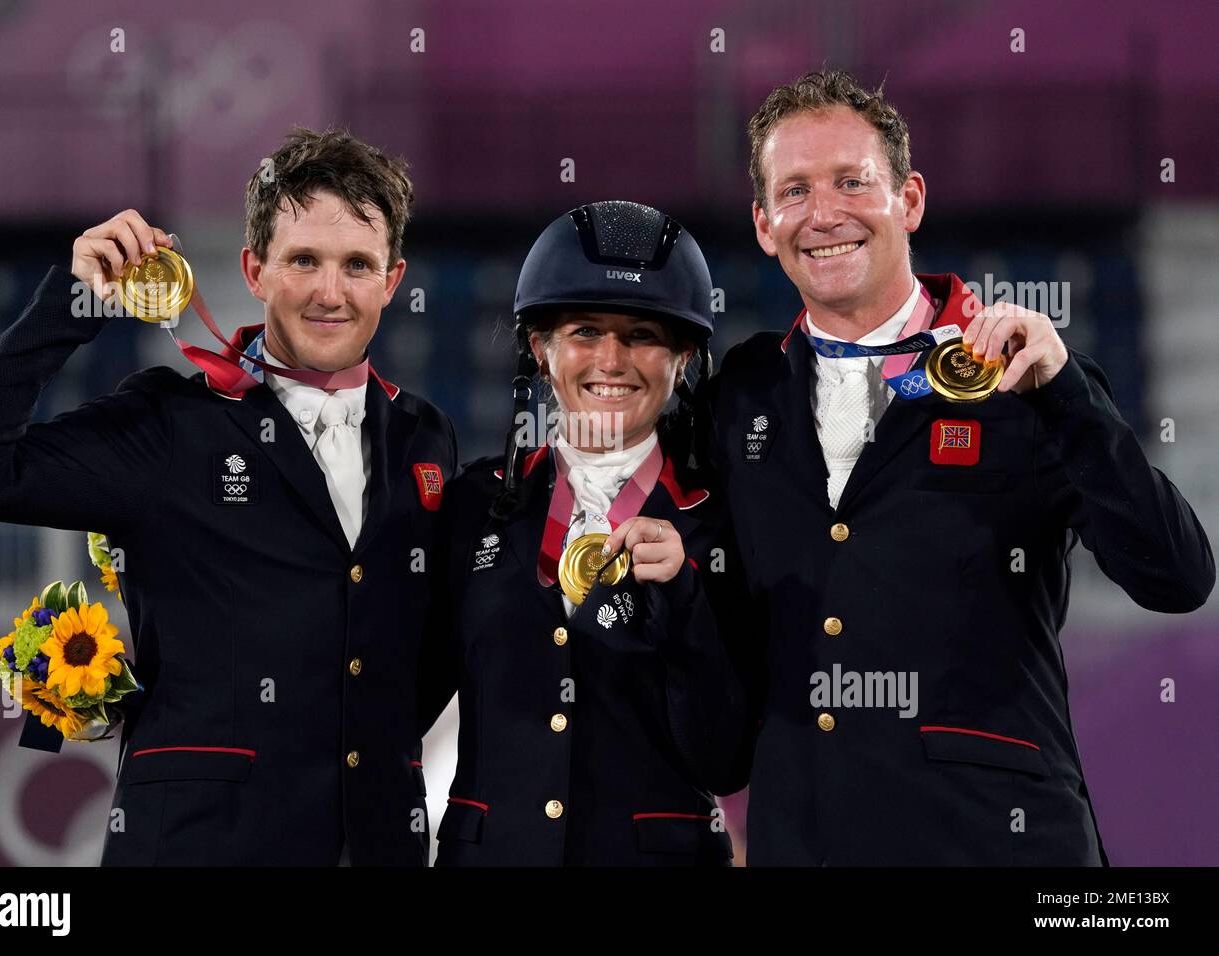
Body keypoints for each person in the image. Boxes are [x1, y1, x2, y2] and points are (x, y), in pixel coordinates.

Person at [711, 70, 1215, 865]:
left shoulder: (1027, 380)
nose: (825, 214)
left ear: (909, 199)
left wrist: (1069, 399)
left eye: (852, 181)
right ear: (765, 225)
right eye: (795, 190)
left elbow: (1178, 577)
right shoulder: (739, 396)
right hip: (805, 840)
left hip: (994, 841)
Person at [0, 127, 458, 866]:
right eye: (303, 260)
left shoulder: (424, 439)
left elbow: (414, 656)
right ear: (255, 269)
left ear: (392, 281)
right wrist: (71, 304)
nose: (331, 292)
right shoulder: (168, 426)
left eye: (357, 265)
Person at [419, 201, 753, 866]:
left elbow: (726, 760)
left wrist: (685, 602)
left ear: (683, 357)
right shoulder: (471, 507)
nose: (611, 359)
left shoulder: (726, 522)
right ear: (541, 350)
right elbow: (395, 705)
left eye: (641, 334)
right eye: (585, 330)